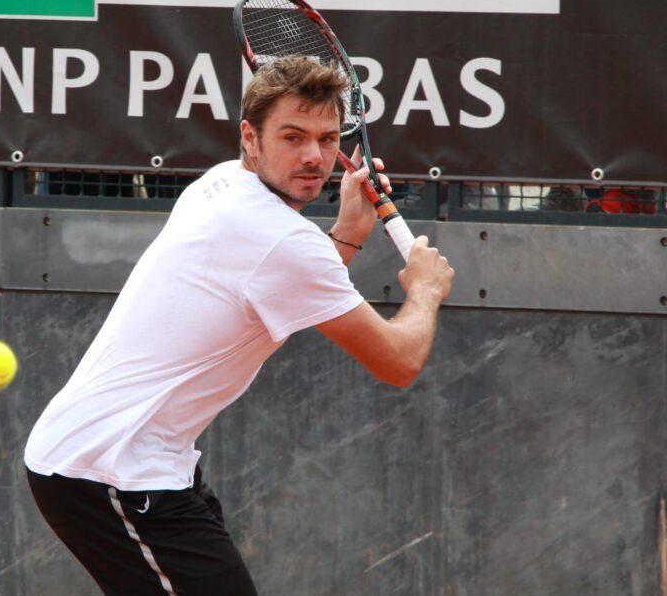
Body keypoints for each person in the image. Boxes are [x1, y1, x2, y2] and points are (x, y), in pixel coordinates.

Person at [24, 56, 455, 595]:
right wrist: (426, 291)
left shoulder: (224, 182)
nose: (314, 156)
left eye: (326, 138)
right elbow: (399, 360)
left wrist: (346, 229)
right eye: (292, 137)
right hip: (107, 467)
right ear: (250, 137)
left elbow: (276, 288)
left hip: (131, 457)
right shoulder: (284, 241)